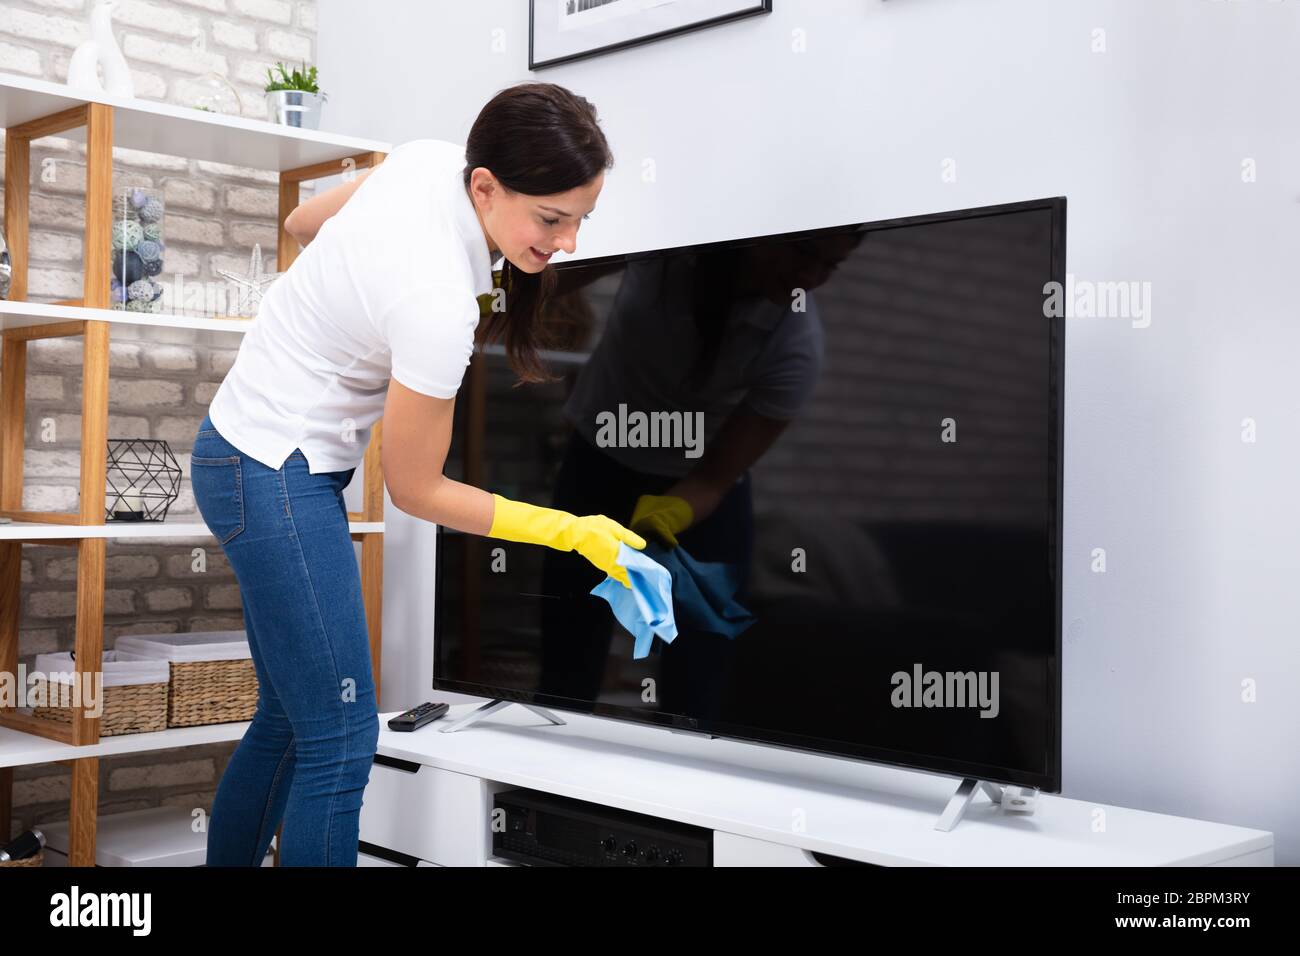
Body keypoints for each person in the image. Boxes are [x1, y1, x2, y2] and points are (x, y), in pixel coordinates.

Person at [190, 82, 643, 866]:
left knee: (289, 722)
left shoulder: (428, 160)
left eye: (579, 220)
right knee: (339, 735)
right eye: (551, 218)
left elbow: (301, 224)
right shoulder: (436, 302)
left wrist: (341, 310)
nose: (567, 242)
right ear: (486, 188)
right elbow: (414, 489)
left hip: (238, 451)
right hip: (274, 470)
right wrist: (572, 530)